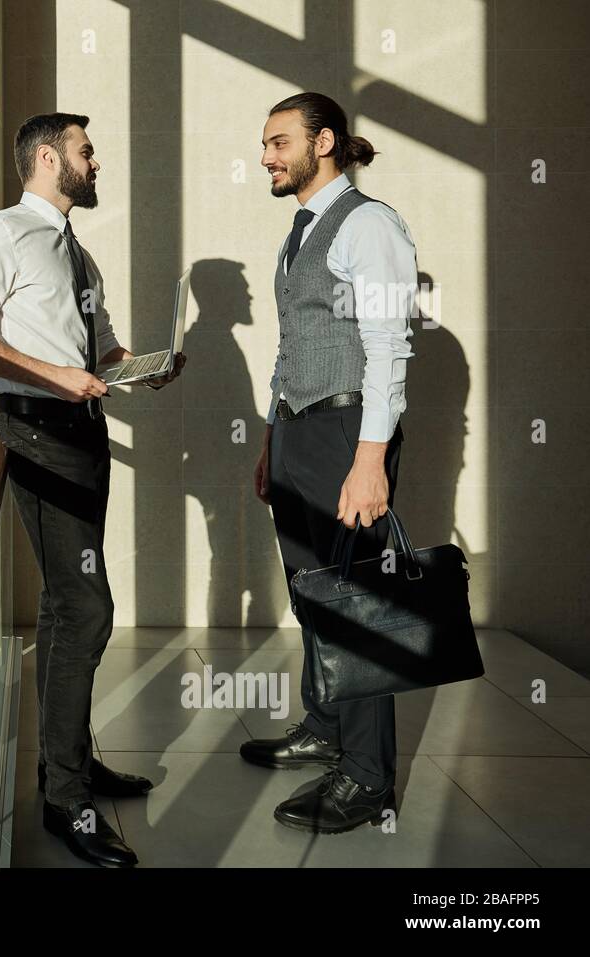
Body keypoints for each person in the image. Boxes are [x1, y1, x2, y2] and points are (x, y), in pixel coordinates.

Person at [0, 112, 185, 867]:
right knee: (87, 606)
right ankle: (66, 801)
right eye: (86, 151)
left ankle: (66, 761)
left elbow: (99, 348)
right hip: (39, 431)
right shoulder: (3, 233)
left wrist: (140, 366)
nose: (96, 161)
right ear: (49, 158)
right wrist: (56, 378)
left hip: (81, 432)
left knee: (61, 604)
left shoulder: (76, 252)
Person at [245, 92, 416, 833]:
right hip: (298, 433)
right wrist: (270, 438)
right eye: (264, 144)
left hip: (349, 432)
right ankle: (325, 727)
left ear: (325, 143)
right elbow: (292, 343)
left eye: (279, 142)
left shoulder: (369, 225)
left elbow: (389, 347)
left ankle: (368, 778)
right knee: (311, 592)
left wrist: (370, 458)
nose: (266, 157)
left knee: (356, 606)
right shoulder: (300, 229)